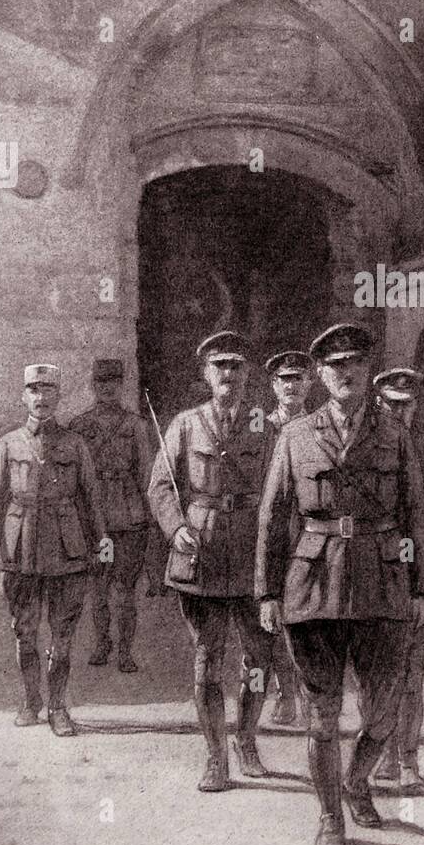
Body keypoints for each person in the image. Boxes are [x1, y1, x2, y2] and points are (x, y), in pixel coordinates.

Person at [256, 323, 424, 845]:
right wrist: (267, 592)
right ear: (319, 375)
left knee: (383, 710)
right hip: (312, 585)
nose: (346, 372)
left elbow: (416, 515)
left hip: (382, 581)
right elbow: (273, 516)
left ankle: (358, 781)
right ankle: (331, 816)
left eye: (356, 362)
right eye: (334, 365)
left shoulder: (393, 433)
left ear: (366, 369)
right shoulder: (295, 436)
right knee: (324, 715)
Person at [147, 332, 275, 792]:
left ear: (247, 374)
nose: (228, 375)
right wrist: (176, 527)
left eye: (236, 366)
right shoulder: (185, 424)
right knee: (208, 657)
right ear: (205, 374)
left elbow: (281, 488)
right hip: (200, 552)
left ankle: (247, 739)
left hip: (251, 554)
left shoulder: (263, 423)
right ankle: (216, 757)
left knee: (259, 658)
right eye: (219, 366)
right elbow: (160, 486)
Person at [0, 364, 105, 737]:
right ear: (24, 396)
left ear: (58, 396)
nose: (42, 397)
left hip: (67, 550)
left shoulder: (75, 444)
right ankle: (31, 700)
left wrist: (102, 547)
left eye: (49, 390)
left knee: (62, 636)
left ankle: (58, 707)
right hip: (19, 551)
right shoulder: (8, 443)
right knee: (25, 633)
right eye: (34, 390)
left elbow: (91, 499)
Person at [371, 370, 424, 791]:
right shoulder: (366, 450)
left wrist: (413, 517)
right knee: (380, 670)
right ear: (378, 404)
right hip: (379, 567)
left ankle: (406, 759)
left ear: (416, 406)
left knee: (412, 671)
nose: (398, 412)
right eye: (390, 404)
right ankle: (383, 753)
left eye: (406, 404)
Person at [70, 359, 152, 673]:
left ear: (121, 385)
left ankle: (125, 652)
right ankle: (102, 642)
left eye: (113, 382)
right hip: (96, 517)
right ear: (93, 385)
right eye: (101, 382)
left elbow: (146, 472)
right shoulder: (79, 426)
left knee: (126, 588)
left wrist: (149, 515)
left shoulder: (136, 426)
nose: (107, 388)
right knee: (99, 586)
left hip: (129, 516)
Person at [262, 349, 316, 728]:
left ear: (310, 384)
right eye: (285, 379)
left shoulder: (320, 426)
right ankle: (285, 691)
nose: (292, 385)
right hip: (275, 531)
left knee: (311, 616)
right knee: (276, 615)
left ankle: (310, 693)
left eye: (299, 378)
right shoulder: (260, 428)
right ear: (273, 386)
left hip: (312, 531)